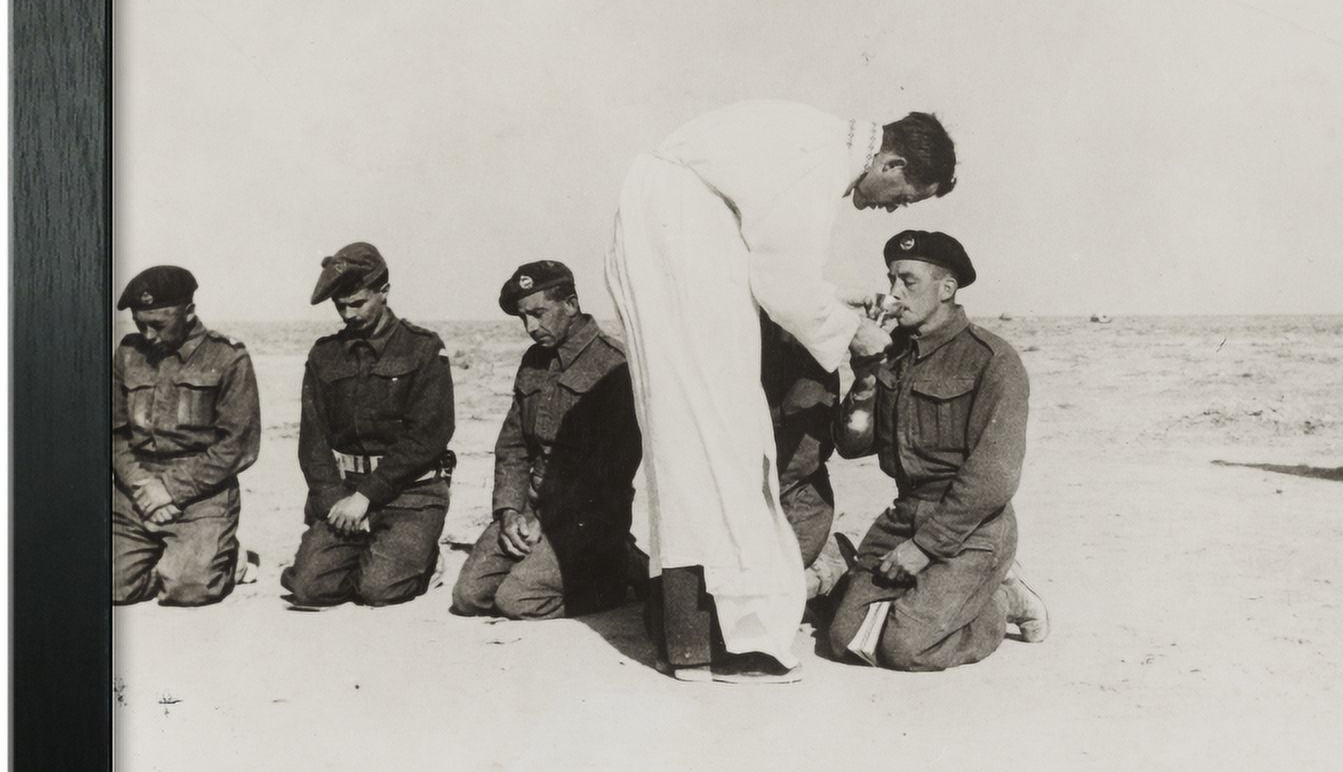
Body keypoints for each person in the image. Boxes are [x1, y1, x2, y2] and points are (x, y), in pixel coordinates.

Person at [605, 100, 956, 682]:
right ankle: (738, 641)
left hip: (671, 232)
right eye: (904, 195)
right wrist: (856, 334)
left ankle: (688, 641)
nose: (891, 207)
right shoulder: (819, 164)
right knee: (721, 441)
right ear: (891, 163)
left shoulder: (814, 139)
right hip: (680, 237)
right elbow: (784, 285)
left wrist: (834, 306)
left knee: (691, 440)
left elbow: (777, 271)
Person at [826, 230, 1049, 671]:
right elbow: (851, 447)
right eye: (891, 279)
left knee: (905, 648)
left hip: (972, 527)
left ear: (946, 289)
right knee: (844, 640)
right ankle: (949, 594)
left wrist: (925, 549)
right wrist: (866, 382)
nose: (893, 293)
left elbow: (994, 477)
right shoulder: (892, 357)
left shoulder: (991, 359)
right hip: (904, 516)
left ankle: (1002, 598)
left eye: (908, 281)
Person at [451, 260, 646, 620]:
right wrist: (509, 512)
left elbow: (609, 472)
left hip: (590, 514)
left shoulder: (612, 365)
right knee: (469, 597)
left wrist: (551, 519)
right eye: (524, 317)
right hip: (532, 508)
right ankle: (586, 563)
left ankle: (617, 573)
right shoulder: (534, 360)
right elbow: (513, 446)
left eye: (539, 314)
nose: (530, 327)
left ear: (570, 304)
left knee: (518, 600)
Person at [280, 242, 456, 608]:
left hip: (410, 492)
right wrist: (333, 502)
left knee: (378, 591)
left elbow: (428, 436)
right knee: (309, 589)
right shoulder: (324, 354)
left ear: (384, 292)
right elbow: (312, 440)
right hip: (346, 494)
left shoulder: (421, 348)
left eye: (357, 303)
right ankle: (369, 553)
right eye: (340, 306)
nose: (348, 314)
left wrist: (367, 497)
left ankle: (424, 560)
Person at [112, 265, 261, 606]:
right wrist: (142, 485)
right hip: (136, 487)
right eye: (140, 324)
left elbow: (239, 446)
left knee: (189, 590)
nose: (148, 335)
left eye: (159, 325)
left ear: (189, 312)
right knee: (109, 585)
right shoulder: (128, 354)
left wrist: (170, 490)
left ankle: (230, 559)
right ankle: (169, 556)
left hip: (201, 491)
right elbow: (113, 433)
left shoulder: (227, 357)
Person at [759, 310, 849, 604]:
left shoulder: (809, 358)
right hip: (755, 502)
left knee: (765, 601)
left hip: (794, 506)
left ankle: (828, 567)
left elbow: (798, 463)